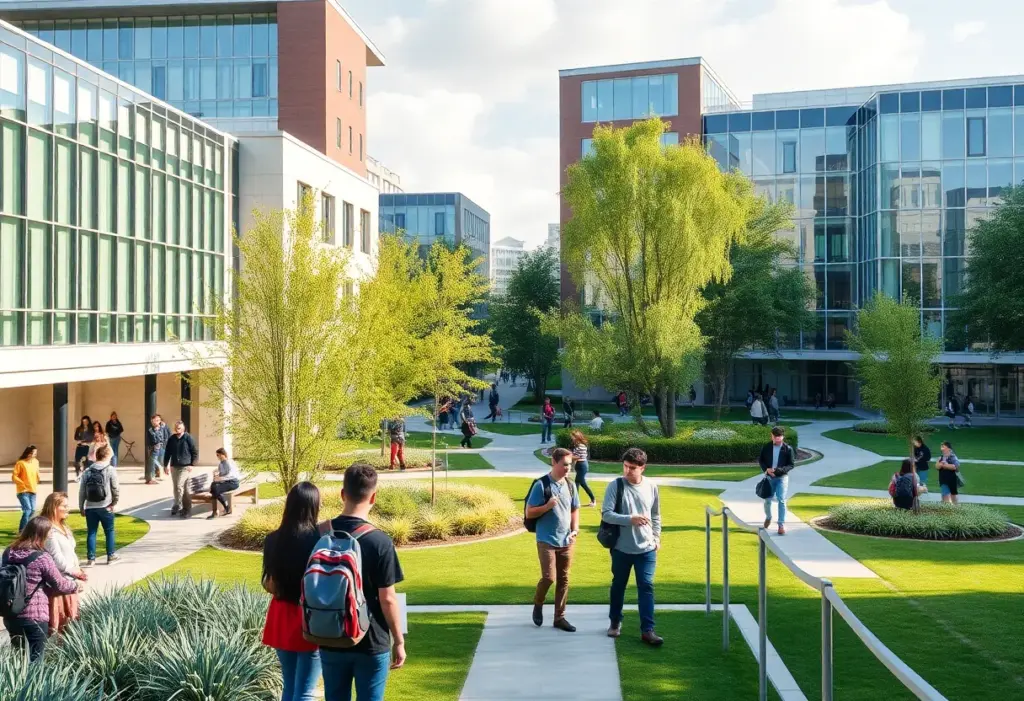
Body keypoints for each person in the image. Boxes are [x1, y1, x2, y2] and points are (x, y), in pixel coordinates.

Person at [319, 464, 406, 701]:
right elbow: (388, 599)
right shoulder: (380, 542)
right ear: (373, 497)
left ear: (342, 494)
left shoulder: (320, 534)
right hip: (371, 638)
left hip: (330, 633)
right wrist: (399, 641)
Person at [262, 482, 323, 701]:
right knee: (305, 690)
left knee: (289, 686)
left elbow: (268, 582)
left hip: (281, 616)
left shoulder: (272, 539)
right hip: (311, 617)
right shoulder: (319, 540)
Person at [602, 447, 663, 645]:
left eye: (632, 468)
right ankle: (615, 622)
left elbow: (655, 514)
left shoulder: (651, 486)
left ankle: (648, 630)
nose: (627, 470)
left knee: (646, 586)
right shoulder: (615, 485)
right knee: (618, 585)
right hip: (621, 548)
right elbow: (606, 514)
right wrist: (630, 519)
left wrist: (656, 537)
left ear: (642, 468)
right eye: (625, 466)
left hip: (646, 549)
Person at [1, 517, 81, 661]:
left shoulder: (9, 552)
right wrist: (75, 586)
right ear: (43, 534)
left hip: (11, 615)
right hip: (34, 616)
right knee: (36, 661)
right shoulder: (42, 558)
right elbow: (59, 584)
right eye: (50, 533)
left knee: (19, 659)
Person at [525, 447, 580, 632]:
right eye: (564, 464)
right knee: (549, 577)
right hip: (546, 539)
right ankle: (538, 603)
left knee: (564, 579)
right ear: (553, 462)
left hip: (566, 540)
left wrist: (575, 529)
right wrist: (547, 506)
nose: (568, 468)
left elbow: (575, 509)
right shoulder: (541, 485)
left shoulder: (570, 485)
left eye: (570, 465)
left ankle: (559, 618)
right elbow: (529, 512)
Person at [40, 492, 88, 635]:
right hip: (57, 584)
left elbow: (71, 553)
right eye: (64, 506)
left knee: (72, 623)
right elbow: (56, 558)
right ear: (54, 507)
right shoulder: (48, 530)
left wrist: (78, 569)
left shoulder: (64, 527)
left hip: (70, 581)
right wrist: (74, 572)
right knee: (59, 625)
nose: (68, 509)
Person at [79, 445, 120, 567]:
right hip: (106, 505)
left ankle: (91, 559)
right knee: (109, 531)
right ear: (107, 456)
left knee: (91, 532)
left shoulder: (87, 471)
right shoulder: (110, 470)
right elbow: (115, 489)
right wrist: (114, 503)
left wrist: (81, 506)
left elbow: (82, 491)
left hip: (90, 507)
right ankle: (111, 556)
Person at [759, 426, 794, 535]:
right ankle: (768, 517)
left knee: (781, 499)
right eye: (775, 437)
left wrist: (779, 470)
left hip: (782, 478)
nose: (777, 439)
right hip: (769, 478)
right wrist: (766, 470)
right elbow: (761, 460)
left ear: (783, 436)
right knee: (767, 500)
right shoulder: (767, 447)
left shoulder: (788, 449)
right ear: (772, 436)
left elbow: (791, 465)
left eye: (779, 437)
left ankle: (781, 525)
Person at [164, 420, 199, 518]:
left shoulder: (188, 438)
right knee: (176, 487)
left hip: (185, 466)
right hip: (174, 466)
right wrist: (166, 465)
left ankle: (178, 504)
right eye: (176, 428)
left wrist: (192, 464)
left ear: (183, 428)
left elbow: (194, 452)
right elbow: (167, 452)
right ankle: (180, 505)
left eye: (179, 428)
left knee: (180, 485)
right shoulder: (172, 439)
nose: (177, 429)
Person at [12, 445, 40, 532]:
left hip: (33, 490)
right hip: (23, 491)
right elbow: (14, 476)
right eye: (33, 453)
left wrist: (37, 479)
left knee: (33, 510)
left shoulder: (36, 462)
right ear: (28, 453)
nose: (35, 455)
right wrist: (22, 484)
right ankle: (22, 530)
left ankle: (28, 529)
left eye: (35, 453)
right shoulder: (20, 463)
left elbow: (36, 473)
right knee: (27, 510)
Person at [208, 448, 242, 519]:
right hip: (226, 482)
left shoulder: (228, 462)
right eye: (217, 455)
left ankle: (217, 512)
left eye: (219, 455)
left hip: (233, 482)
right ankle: (225, 508)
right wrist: (217, 475)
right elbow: (222, 474)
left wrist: (220, 478)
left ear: (224, 454)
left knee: (215, 490)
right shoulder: (221, 463)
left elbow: (230, 475)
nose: (218, 457)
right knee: (213, 486)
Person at [569, 430, 596, 507]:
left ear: (577, 437)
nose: (572, 438)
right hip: (579, 465)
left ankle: (593, 499)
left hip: (582, 466)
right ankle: (575, 501)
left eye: (573, 437)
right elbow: (575, 455)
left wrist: (569, 456)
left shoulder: (581, 446)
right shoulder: (577, 445)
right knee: (578, 483)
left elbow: (578, 457)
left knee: (581, 483)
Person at [145, 414, 171, 484]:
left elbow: (169, 435)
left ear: (160, 420)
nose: (156, 422)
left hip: (163, 447)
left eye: (158, 420)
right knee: (153, 462)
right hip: (155, 448)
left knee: (162, 461)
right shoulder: (150, 430)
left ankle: (161, 474)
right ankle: (152, 478)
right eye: (154, 420)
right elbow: (150, 441)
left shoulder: (164, 427)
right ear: (152, 421)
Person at [937, 441, 961, 505]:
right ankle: (946, 507)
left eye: (943, 447)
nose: (941, 448)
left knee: (953, 495)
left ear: (948, 448)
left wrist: (944, 465)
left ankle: (954, 507)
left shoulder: (953, 457)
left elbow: (955, 466)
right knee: (945, 495)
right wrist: (940, 464)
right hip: (943, 479)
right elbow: (937, 467)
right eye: (941, 446)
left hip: (952, 479)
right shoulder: (941, 457)